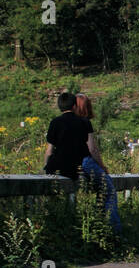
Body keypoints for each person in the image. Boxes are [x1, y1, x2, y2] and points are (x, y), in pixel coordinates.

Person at [71, 95, 122, 234]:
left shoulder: (68, 121)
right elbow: (92, 148)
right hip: (86, 161)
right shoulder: (85, 122)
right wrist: (102, 166)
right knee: (109, 190)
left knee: (100, 190)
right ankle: (113, 230)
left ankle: (99, 223)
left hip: (71, 162)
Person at [43, 92, 92, 180]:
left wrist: (46, 167)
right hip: (76, 168)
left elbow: (49, 150)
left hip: (57, 166)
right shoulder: (84, 122)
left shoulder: (55, 122)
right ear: (74, 106)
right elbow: (91, 148)